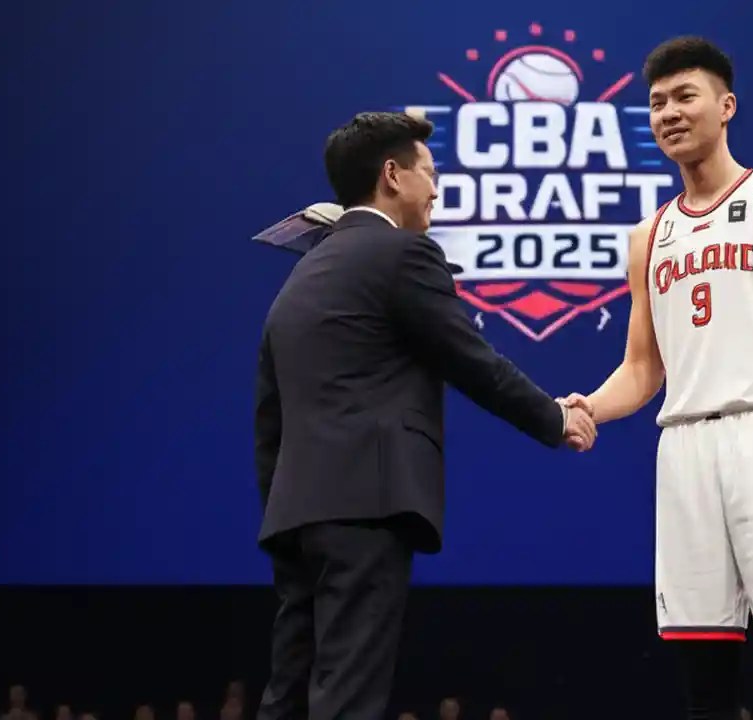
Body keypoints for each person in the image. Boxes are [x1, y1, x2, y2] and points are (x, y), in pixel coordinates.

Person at [254, 111, 597, 720]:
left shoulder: (301, 276)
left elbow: (269, 419)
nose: (437, 189)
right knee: (348, 695)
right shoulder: (402, 254)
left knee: (289, 692)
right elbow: (469, 358)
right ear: (393, 176)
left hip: (296, 515)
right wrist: (552, 415)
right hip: (366, 503)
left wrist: (285, 508)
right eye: (429, 173)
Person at [561, 37, 753, 719]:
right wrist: (587, 409)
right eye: (656, 103)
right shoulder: (648, 236)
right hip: (684, 450)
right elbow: (641, 369)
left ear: (725, 106)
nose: (668, 113)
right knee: (703, 668)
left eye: (683, 96)